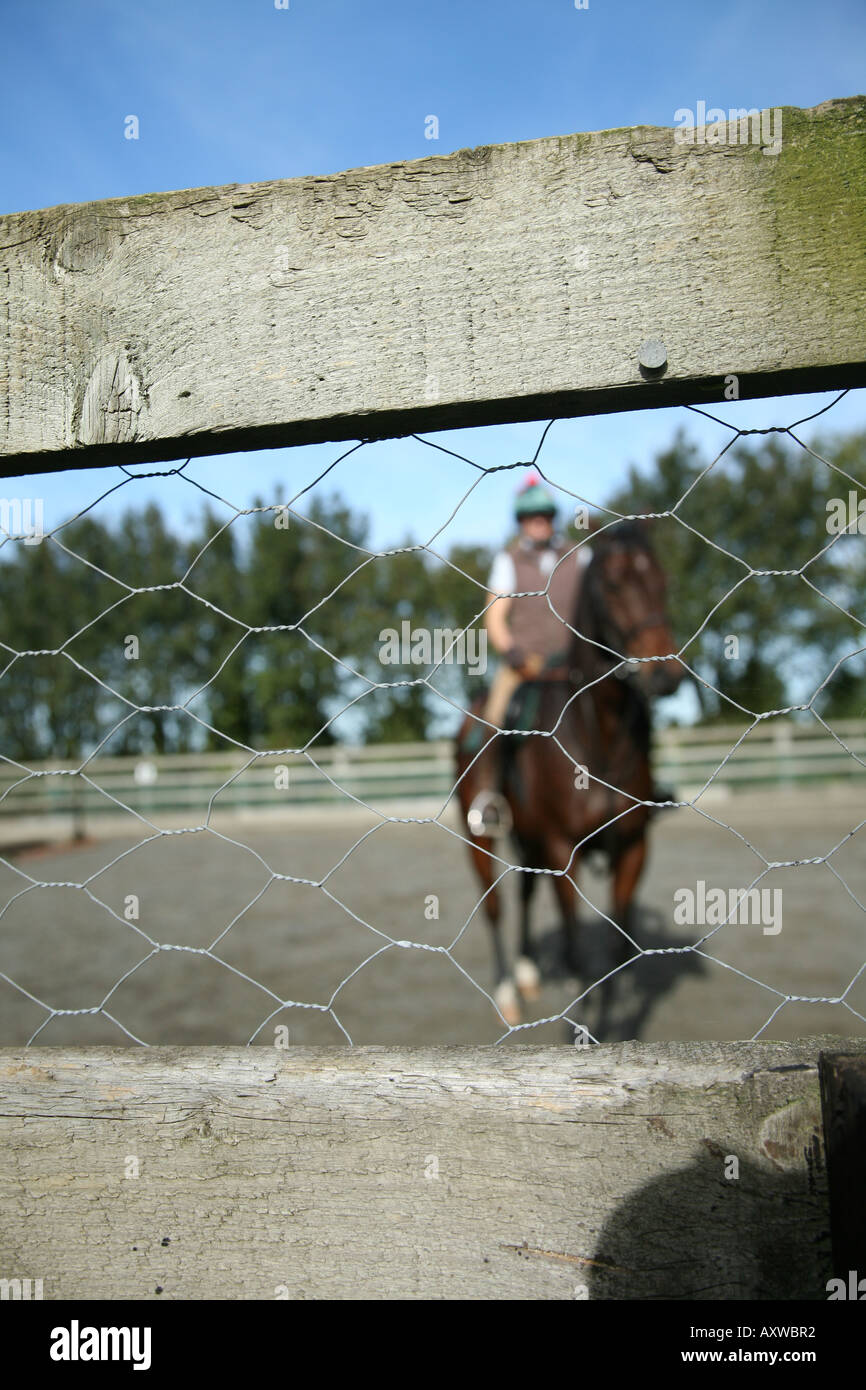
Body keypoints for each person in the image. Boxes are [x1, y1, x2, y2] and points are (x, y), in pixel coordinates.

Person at [466, 473, 591, 837]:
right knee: (493, 715)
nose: (540, 522)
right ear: (521, 521)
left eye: (546, 515)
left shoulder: (579, 555)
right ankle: (489, 796)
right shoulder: (508, 560)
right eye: (532, 516)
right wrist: (511, 651)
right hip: (526, 666)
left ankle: (641, 787)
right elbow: (494, 614)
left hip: (574, 667)